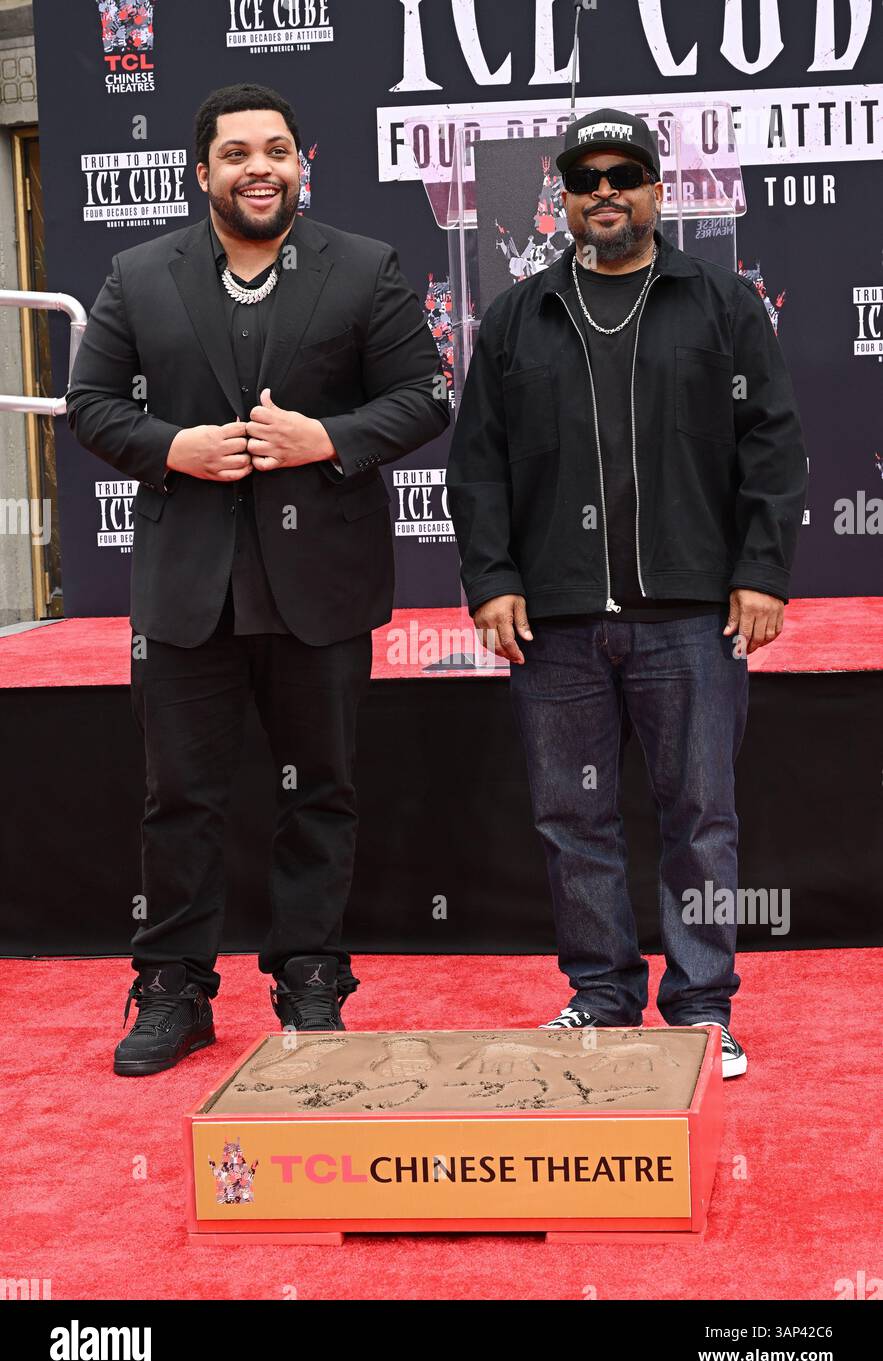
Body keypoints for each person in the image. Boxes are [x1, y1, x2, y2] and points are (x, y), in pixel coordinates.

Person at [66, 83, 450, 1075]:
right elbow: (91, 405)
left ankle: (312, 974)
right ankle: (174, 988)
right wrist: (172, 447)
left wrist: (329, 437)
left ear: (298, 163)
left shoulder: (366, 269)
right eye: (236, 153)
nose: (259, 167)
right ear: (202, 174)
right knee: (179, 797)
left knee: (319, 790)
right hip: (189, 591)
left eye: (276, 149)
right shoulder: (138, 274)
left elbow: (422, 398)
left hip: (320, 585)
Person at [447, 108, 808, 1078]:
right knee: (574, 819)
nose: (604, 190)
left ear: (657, 191)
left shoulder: (720, 302)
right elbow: (475, 466)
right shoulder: (519, 317)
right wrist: (490, 580)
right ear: (561, 198)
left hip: (689, 615)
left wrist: (761, 572)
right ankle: (603, 996)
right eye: (584, 177)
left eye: (624, 174)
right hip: (558, 623)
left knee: (701, 815)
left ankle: (700, 1009)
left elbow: (772, 449)